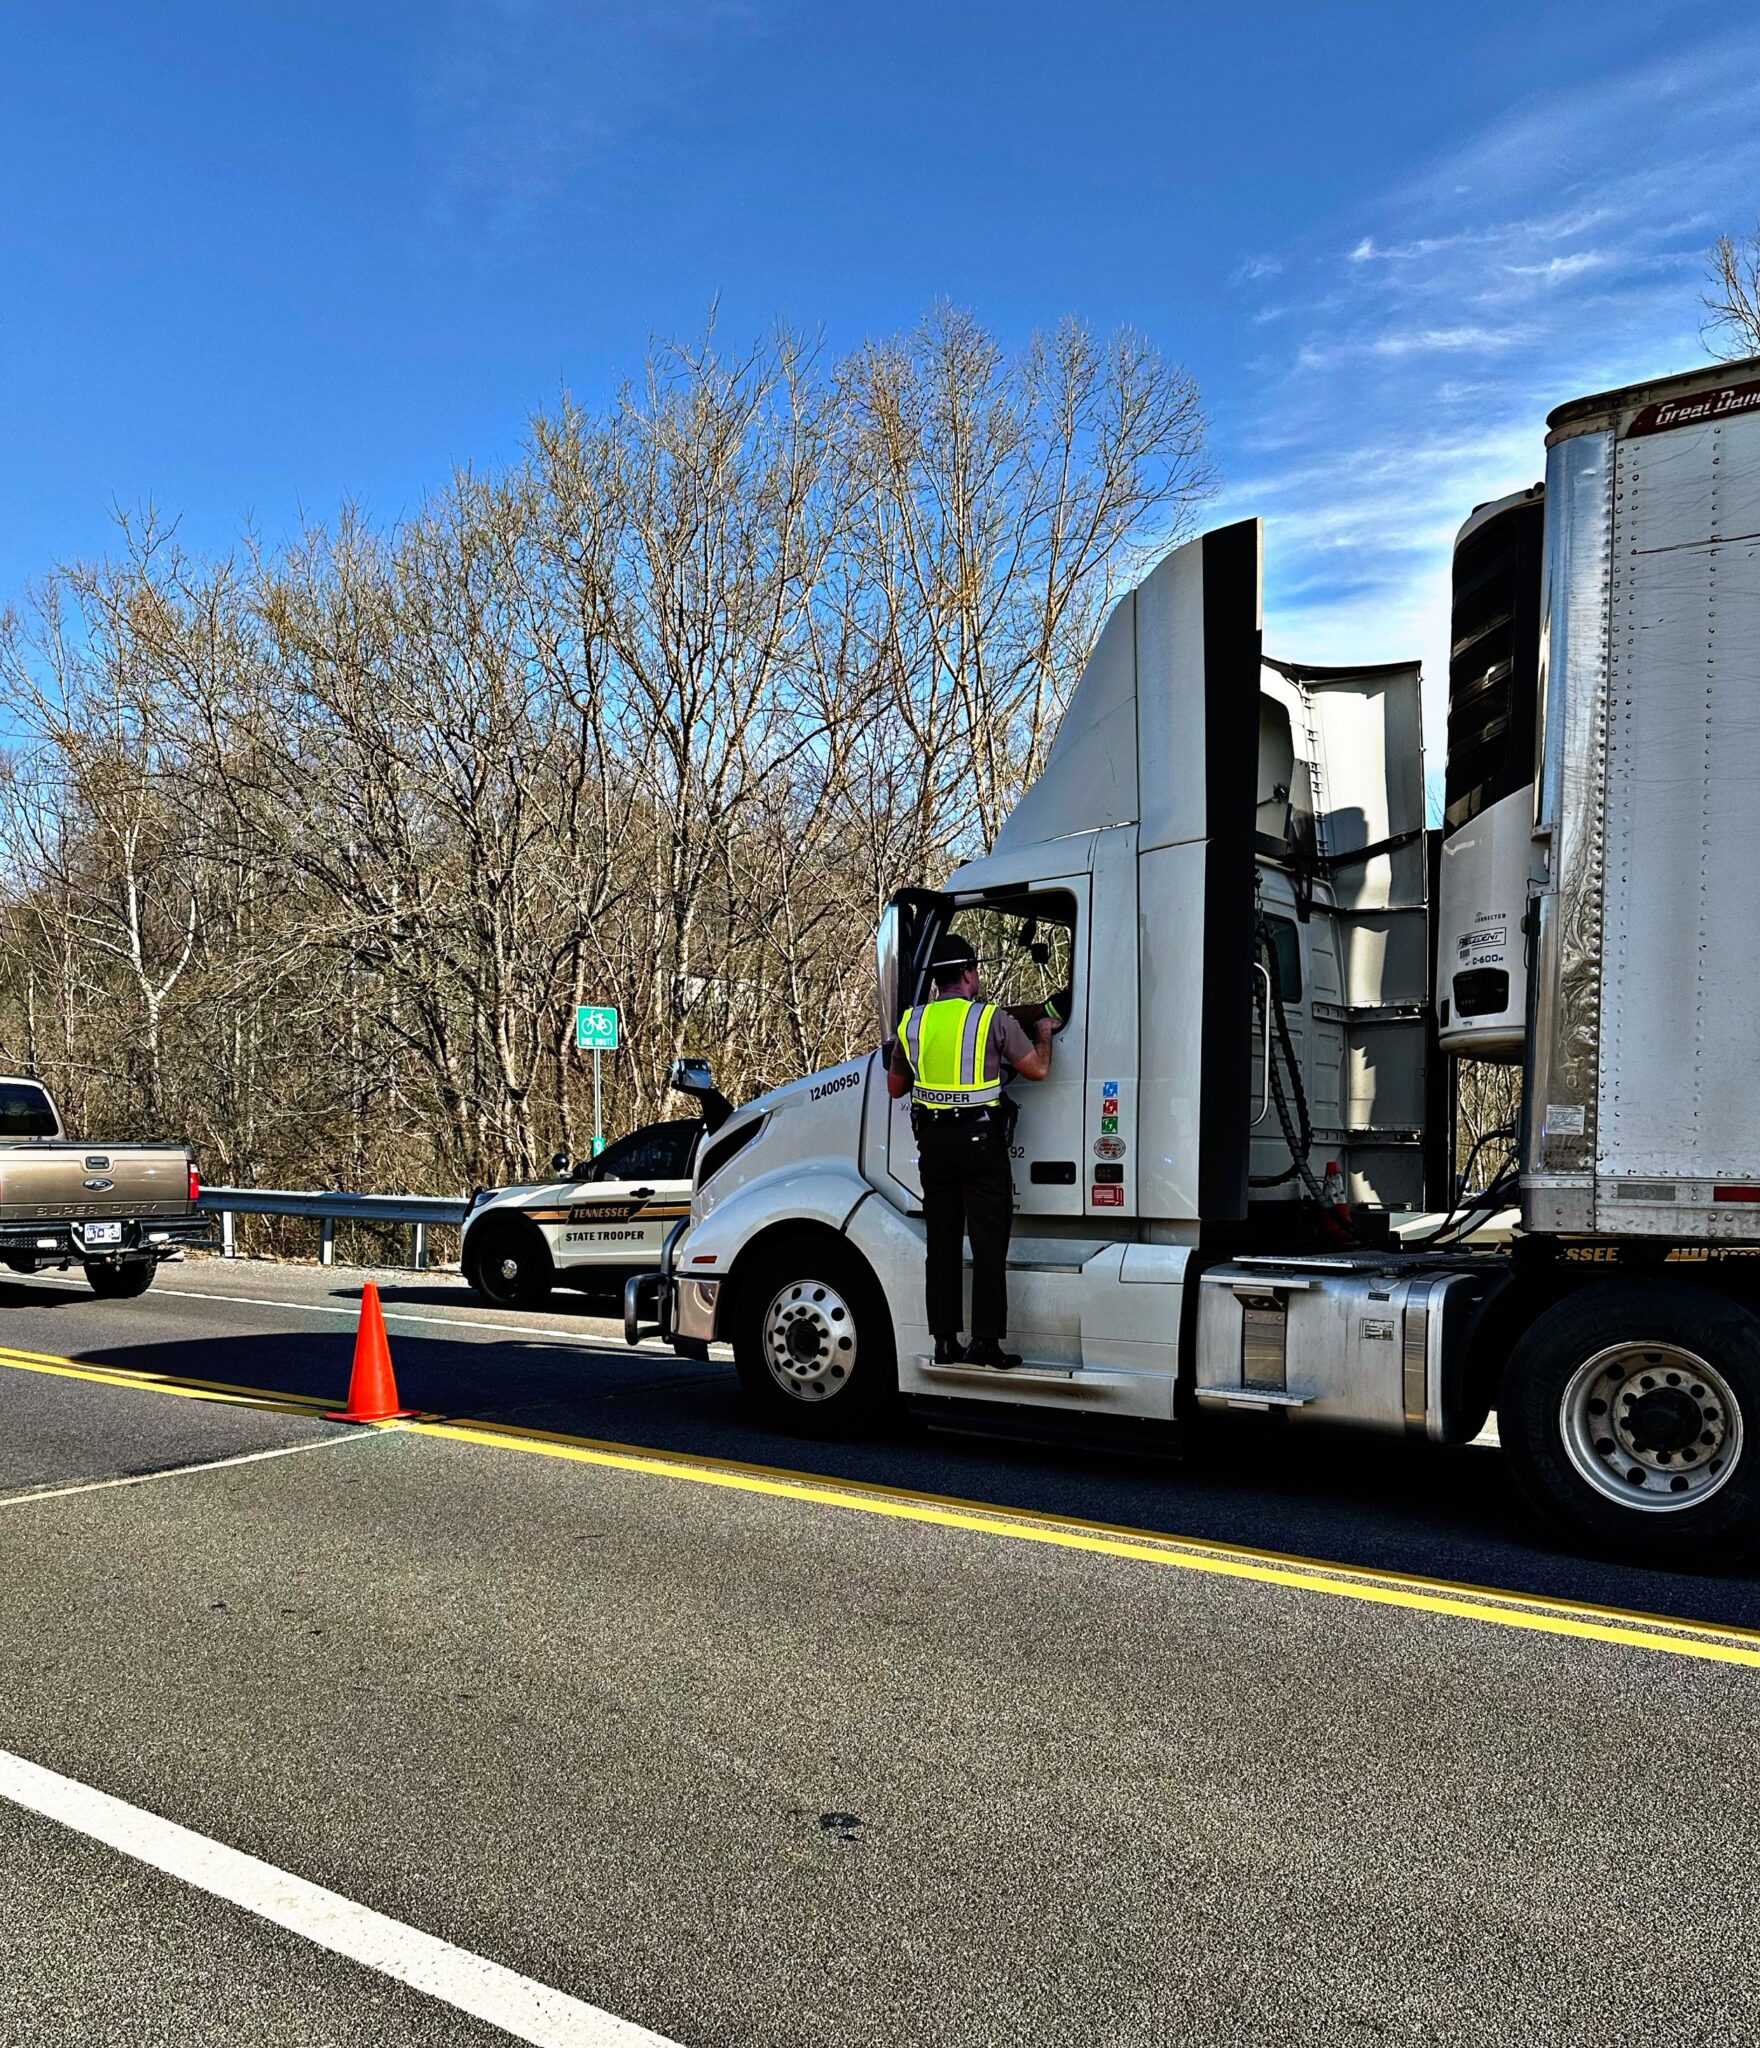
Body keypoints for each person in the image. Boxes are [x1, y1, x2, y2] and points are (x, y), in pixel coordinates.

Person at [886, 934, 1057, 1368]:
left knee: (941, 1244)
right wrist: (1041, 1032)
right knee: (987, 1244)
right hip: (981, 1145)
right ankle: (985, 1343)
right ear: (966, 974)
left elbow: (895, 1088)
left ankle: (945, 1342)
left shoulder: (912, 1023)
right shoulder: (990, 1019)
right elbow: (1036, 1069)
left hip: (935, 1145)